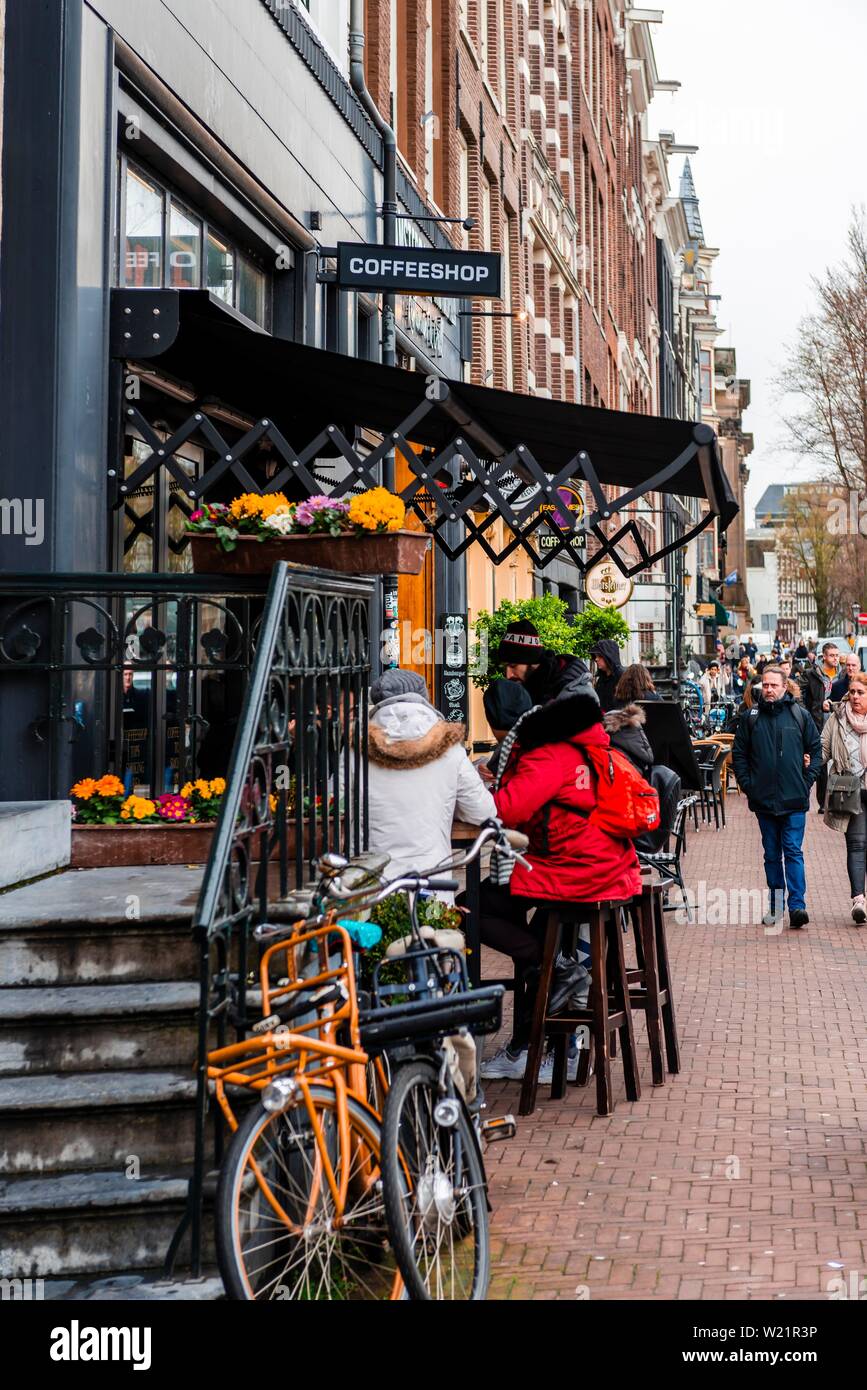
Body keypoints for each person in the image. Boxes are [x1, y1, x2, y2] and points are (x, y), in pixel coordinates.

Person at [478, 690, 642, 1080]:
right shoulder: (593, 749)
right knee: (513, 913)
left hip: (573, 871)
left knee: (470, 906)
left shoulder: (551, 754)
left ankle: (553, 971)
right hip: (608, 866)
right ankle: (542, 1023)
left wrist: (486, 791)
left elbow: (508, 809)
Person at [366, 669, 495, 896]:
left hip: (371, 888)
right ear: (424, 698)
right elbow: (484, 812)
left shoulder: (355, 747)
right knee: (431, 928)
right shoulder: (448, 746)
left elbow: (333, 805)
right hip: (432, 885)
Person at [732, 663, 823, 929]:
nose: (769, 689)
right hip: (764, 801)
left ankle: (798, 906)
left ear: (785, 687)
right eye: (766, 685)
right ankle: (775, 907)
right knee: (771, 855)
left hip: (794, 799)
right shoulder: (751, 717)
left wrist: (805, 782)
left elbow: (816, 751)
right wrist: (749, 786)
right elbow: (739, 754)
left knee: (793, 851)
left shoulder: (800, 715)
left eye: (774, 685)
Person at [821, 673, 867, 925]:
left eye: (861, 692)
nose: (855, 697)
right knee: (857, 845)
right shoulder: (838, 718)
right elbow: (823, 749)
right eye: (852, 692)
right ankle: (858, 900)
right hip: (851, 791)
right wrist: (807, 759)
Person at [496, 619, 596, 706]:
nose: (508, 675)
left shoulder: (570, 688)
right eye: (504, 667)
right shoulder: (532, 685)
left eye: (513, 666)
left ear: (533, 662)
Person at [588, 639, 624, 713]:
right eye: (595, 656)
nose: (596, 659)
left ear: (609, 656)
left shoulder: (623, 676)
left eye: (600, 656)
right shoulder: (601, 679)